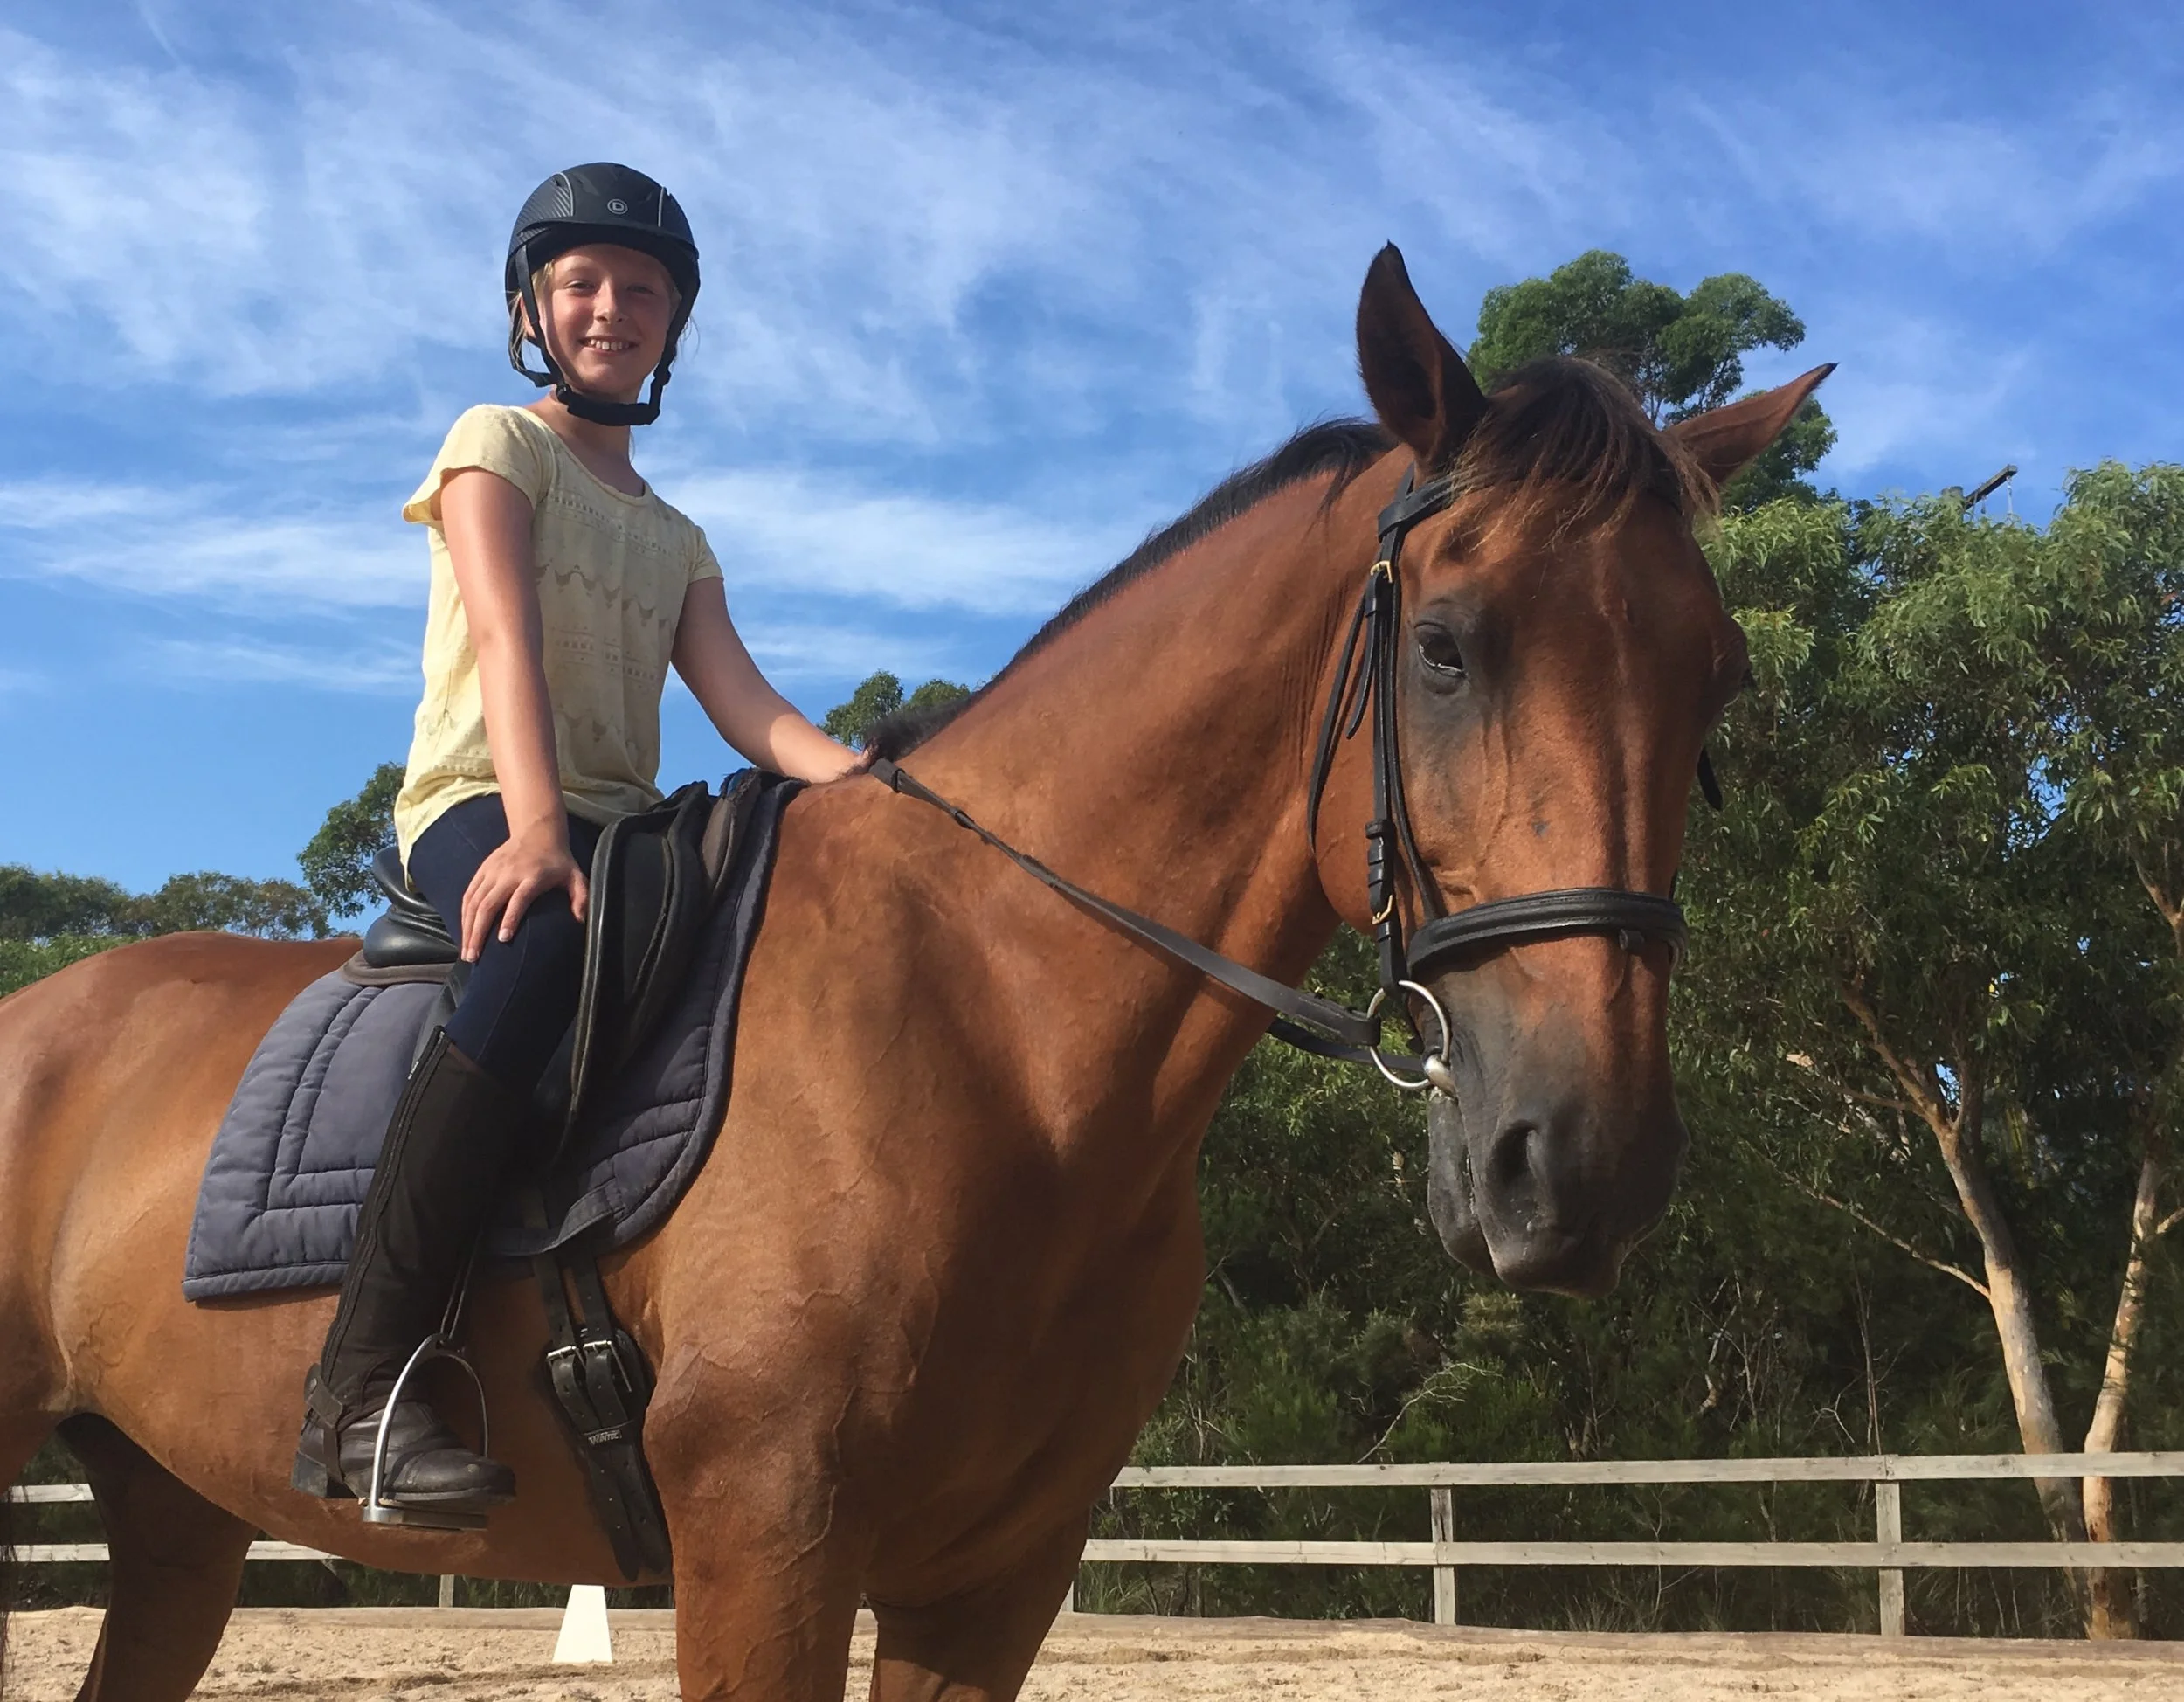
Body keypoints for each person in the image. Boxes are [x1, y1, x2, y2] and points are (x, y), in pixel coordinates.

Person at [292, 163, 864, 1521]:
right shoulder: (498, 442)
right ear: (534, 309)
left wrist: (881, 787)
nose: (614, 309)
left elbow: (748, 707)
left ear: (675, 325)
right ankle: (360, 1388)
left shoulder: (677, 536)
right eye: (585, 285)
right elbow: (506, 637)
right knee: (539, 943)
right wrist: (537, 828)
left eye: (643, 292)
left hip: (622, 830)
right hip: (482, 800)